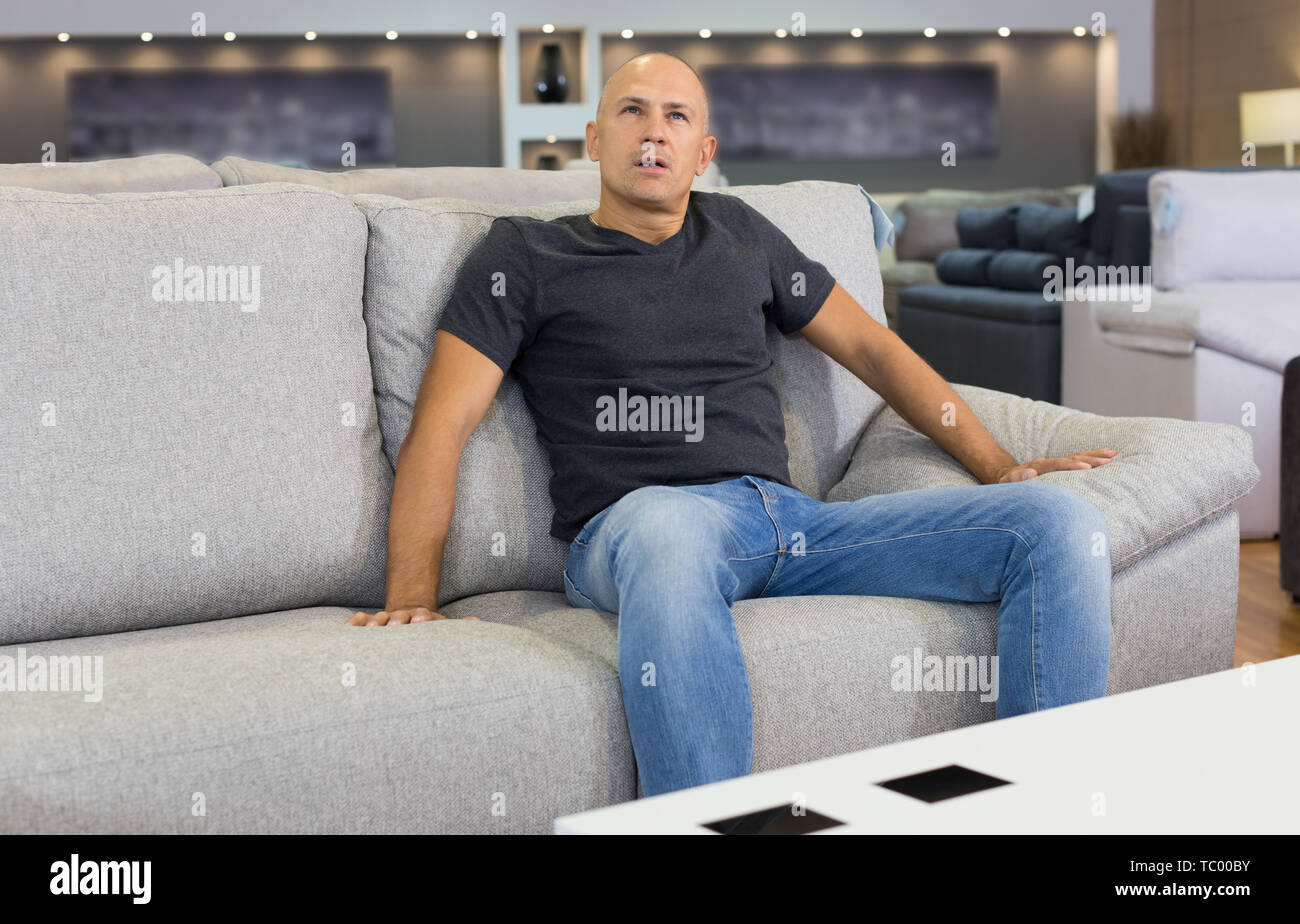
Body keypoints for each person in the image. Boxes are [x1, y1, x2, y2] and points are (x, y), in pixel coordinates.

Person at [350, 51, 1118, 798]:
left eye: (675, 116)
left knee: (1054, 522)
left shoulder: (742, 232)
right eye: (631, 111)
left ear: (702, 151)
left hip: (789, 525)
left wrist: (1001, 467)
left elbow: (876, 352)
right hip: (633, 530)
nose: (653, 132)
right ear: (594, 139)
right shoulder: (524, 254)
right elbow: (441, 427)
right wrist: (412, 594)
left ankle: (1041, 809)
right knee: (671, 529)